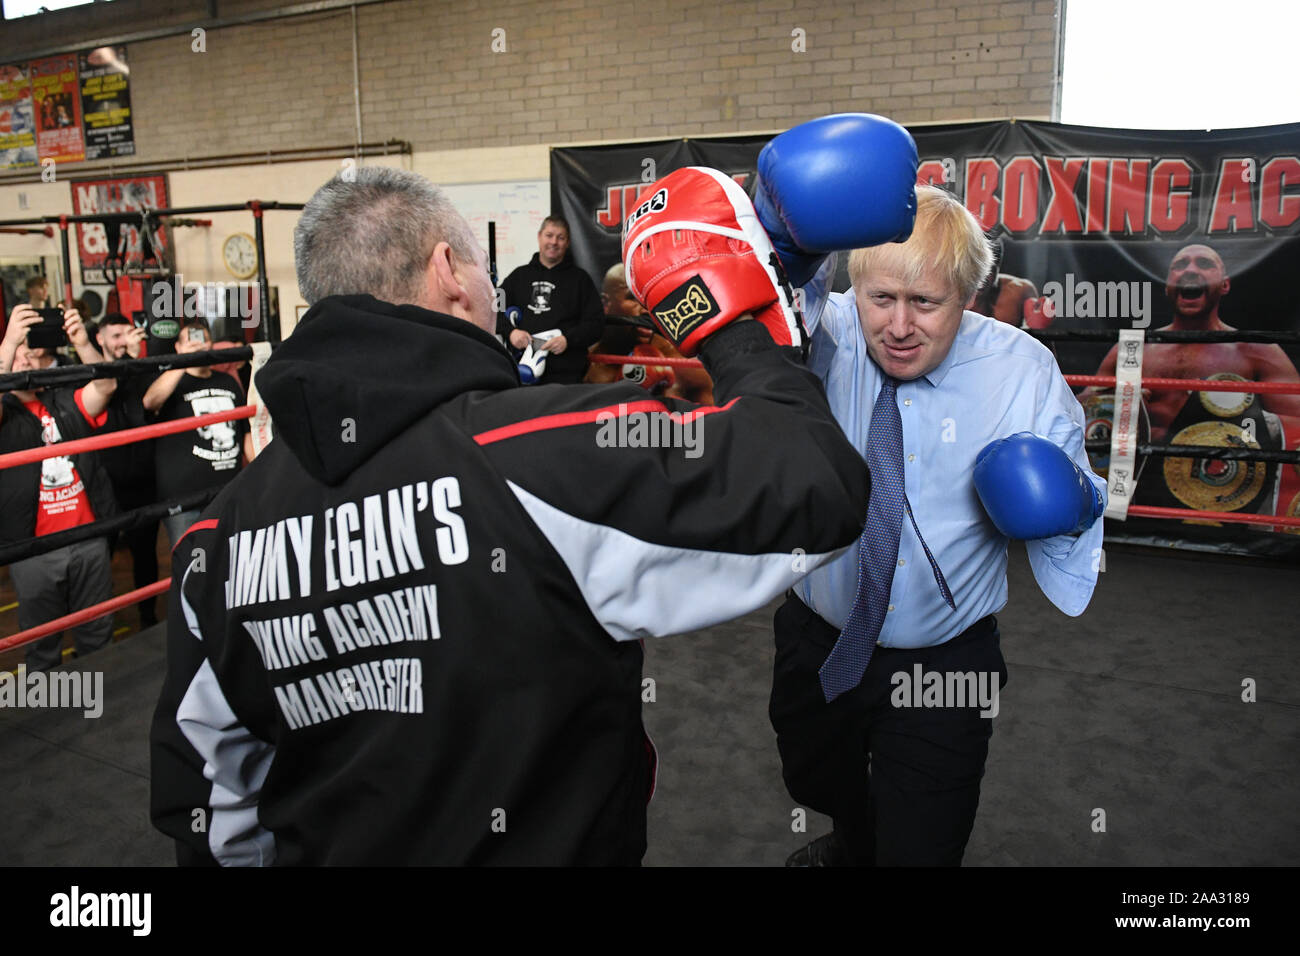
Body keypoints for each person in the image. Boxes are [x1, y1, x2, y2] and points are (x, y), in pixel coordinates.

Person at [149, 143, 915, 864]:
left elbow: (212, 808)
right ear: (449, 270)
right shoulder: (544, 458)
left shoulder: (215, 544)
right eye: (484, 271)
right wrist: (729, 315)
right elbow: (812, 480)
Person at [771, 184, 1106, 866]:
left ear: (968, 296)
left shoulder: (1020, 370)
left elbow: (1085, 493)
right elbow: (753, 301)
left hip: (945, 660)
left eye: (925, 303)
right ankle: (852, 839)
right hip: (818, 638)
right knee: (816, 779)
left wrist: (1070, 499)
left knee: (923, 840)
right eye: (881, 299)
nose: (898, 326)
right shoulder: (821, 331)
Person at [1088, 243, 1300, 513]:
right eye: (1180, 265)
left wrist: (1242, 416)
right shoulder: (1133, 348)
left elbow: (1296, 424)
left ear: (1224, 285)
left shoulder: (1255, 350)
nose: (1190, 270)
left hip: (1222, 492)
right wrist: (1113, 401)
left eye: (1204, 263)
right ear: (1167, 286)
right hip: (1139, 495)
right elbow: (1083, 411)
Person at [0, 304, 119, 671]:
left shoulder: (63, 398)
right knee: (42, 647)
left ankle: (101, 713)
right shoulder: (5, 411)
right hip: (34, 551)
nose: (23, 357)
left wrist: (83, 342)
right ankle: (49, 723)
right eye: (16, 352)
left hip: (87, 539)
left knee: (98, 636)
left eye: (28, 349)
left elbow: (106, 385)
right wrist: (8, 343)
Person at [142, 319, 250, 548]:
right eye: (190, 341)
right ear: (178, 348)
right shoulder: (170, 383)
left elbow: (245, 432)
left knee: (230, 558)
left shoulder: (227, 381)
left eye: (203, 339)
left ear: (210, 344)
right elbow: (150, 402)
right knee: (190, 565)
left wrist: (261, 474)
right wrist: (183, 363)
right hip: (184, 499)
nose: (198, 345)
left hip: (227, 492)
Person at [94, 312, 160, 628]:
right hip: (106, 482)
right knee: (99, 556)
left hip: (142, 480)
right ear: (100, 339)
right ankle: (97, 624)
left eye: (126, 335)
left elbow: (143, 408)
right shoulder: (90, 372)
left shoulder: (140, 371)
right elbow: (105, 395)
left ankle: (147, 618)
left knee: (145, 555)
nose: (122, 342)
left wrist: (136, 364)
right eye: (115, 336)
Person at [584, 263, 715, 404]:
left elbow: (715, 416)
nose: (645, 309)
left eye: (648, 297)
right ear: (605, 304)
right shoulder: (588, 366)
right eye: (632, 298)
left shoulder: (681, 360)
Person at [497, 216, 604, 384]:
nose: (554, 242)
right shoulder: (518, 276)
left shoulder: (580, 280)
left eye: (560, 238)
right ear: (539, 236)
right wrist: (510, 332)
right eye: (549, 235)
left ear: (567, 242)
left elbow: (596, 324)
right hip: (523, 373)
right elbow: (493, 308)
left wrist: (568, 340)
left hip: (567, 376)